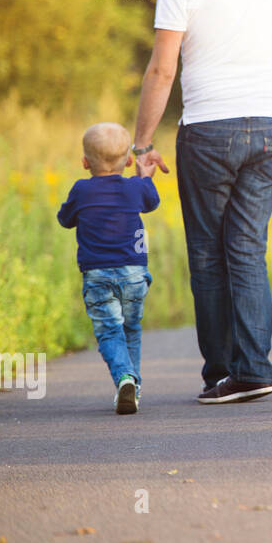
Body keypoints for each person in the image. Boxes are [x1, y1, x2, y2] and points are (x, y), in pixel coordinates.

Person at [130, 0, 272, 405]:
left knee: (209, 255)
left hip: (210, 131)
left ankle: (220, 375)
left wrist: (142, 146)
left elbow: (163, 69)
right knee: (249, 250)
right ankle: (254, 369)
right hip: (270, 127)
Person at [56, 122, 160, 414]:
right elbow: (151, 202)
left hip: (98, 275)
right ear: (128, 161)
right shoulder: (136, 187)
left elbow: (65, 220)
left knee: (109, 332)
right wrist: (145, 177)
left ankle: (125, 378)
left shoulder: (81, 189)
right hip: (134, 275)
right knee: (131, 328)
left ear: (85, 162)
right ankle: (132, 387)